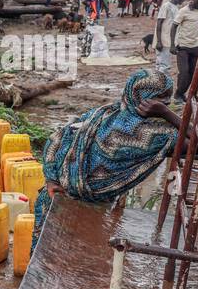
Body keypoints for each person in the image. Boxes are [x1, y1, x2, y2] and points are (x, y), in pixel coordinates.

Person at [32, 68, 183, 249]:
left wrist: (50, 178)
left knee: (48, 254)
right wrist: (168, 114)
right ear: (147, 101)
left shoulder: (104, 113)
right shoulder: (156, 133)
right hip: (82, 206)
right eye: (163, 99)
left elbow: (57, 136)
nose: (168, 102)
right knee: (80, 256)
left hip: (55, 197)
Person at [170, 0, 198, 101]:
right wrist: (172, 44)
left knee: (192, 73)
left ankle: (182, 93)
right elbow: (174, 26)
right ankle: (178, 93)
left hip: (196, 46)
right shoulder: (184, 11)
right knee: (184, 72)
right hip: (183, 46)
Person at [154, 0, 184, 75]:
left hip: (169, 39)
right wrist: (159, 41)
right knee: (163, 65)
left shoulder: (176, 8)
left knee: (162, 64)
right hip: (163, 40)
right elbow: (159, 23)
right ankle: (161, 85)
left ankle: (158, 84)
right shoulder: (166, 6)